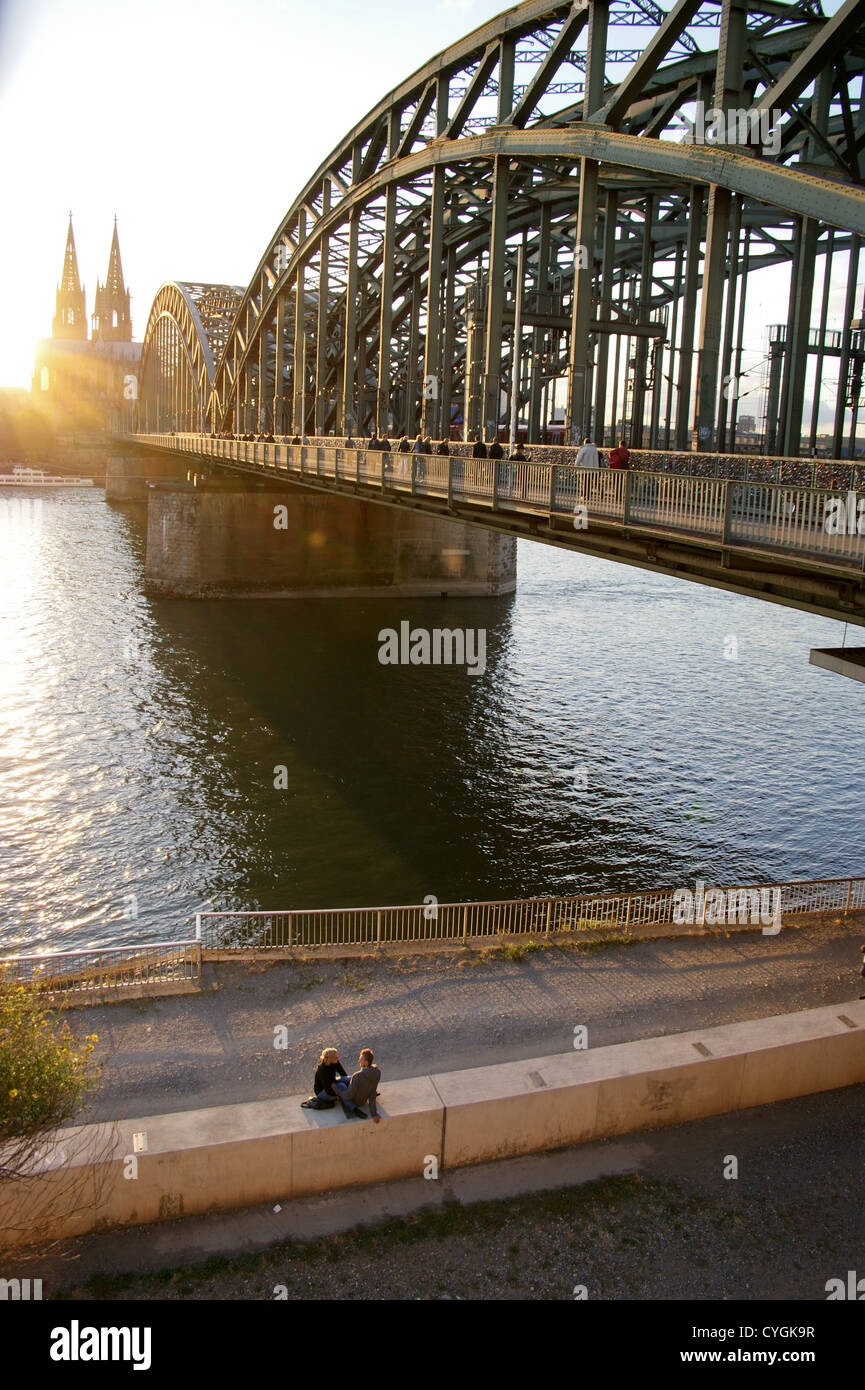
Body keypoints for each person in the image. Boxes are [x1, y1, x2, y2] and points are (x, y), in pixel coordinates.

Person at [333, 1047, 382, 1123]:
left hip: (355, 1101)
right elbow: (372, 1093)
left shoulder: (357, 1076)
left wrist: (336, 1090)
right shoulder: (377, 1073)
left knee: (340, 1085)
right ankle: (336, 1080)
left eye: (360, 1059)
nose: (359, 1061)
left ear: (366, 1062)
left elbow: (349, 1095)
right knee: (345, 1079)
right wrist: (374, 1113)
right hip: (362, 1100)